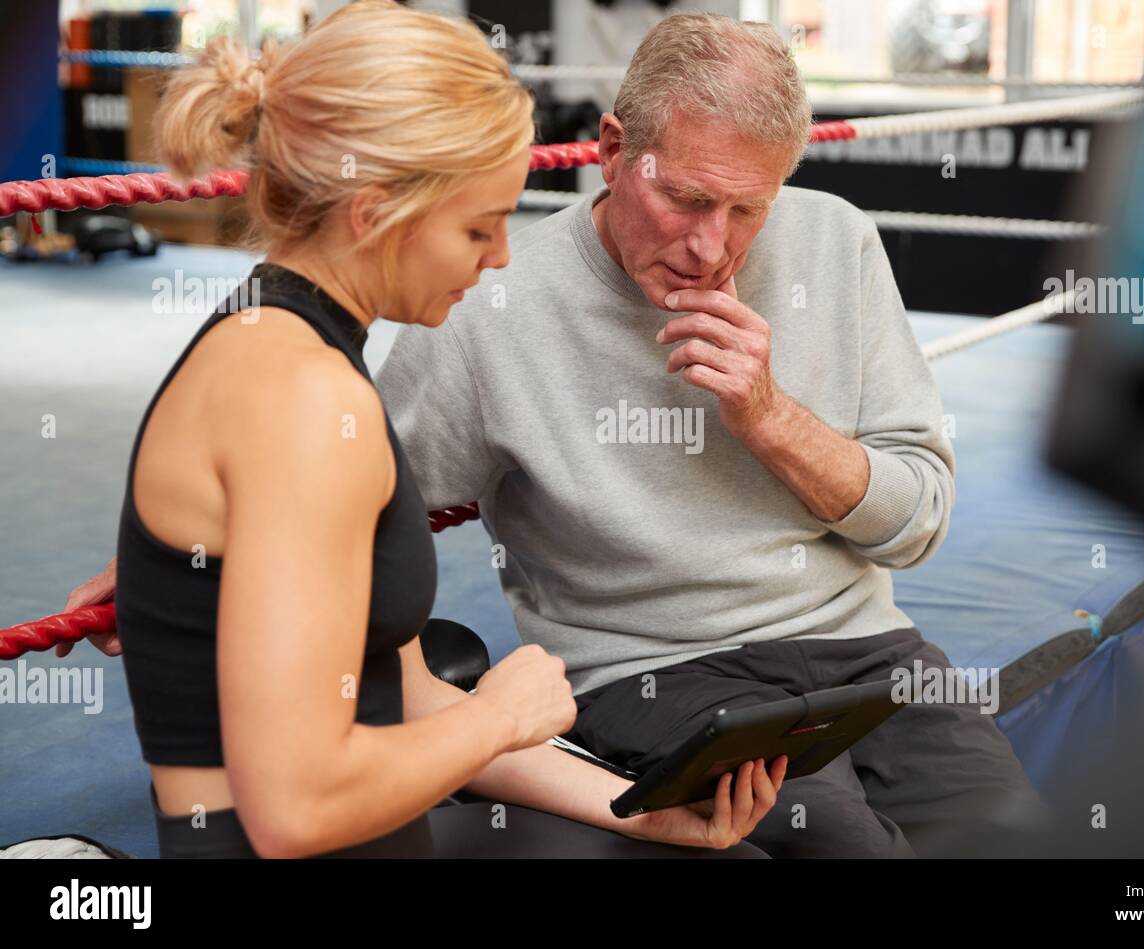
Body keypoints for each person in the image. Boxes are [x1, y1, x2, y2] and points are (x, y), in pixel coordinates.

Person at [65, 0, 782, 859]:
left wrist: (644, 809)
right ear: (374, 214)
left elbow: (409, 695)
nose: (501, 255)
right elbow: (292, 810)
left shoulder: (291, 344)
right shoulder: (299, 398)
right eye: (478, 226)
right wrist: (498, 716)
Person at [373, 13, 1050, 857]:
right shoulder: (493, 307)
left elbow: (918, 526)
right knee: (845, 847)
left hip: (866, 650)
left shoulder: (835, 241)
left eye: (747, 209)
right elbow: (359, 512)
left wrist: (770, 417)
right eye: (687, 199)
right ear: (612, 151)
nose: (709, 246)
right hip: (652, 670)